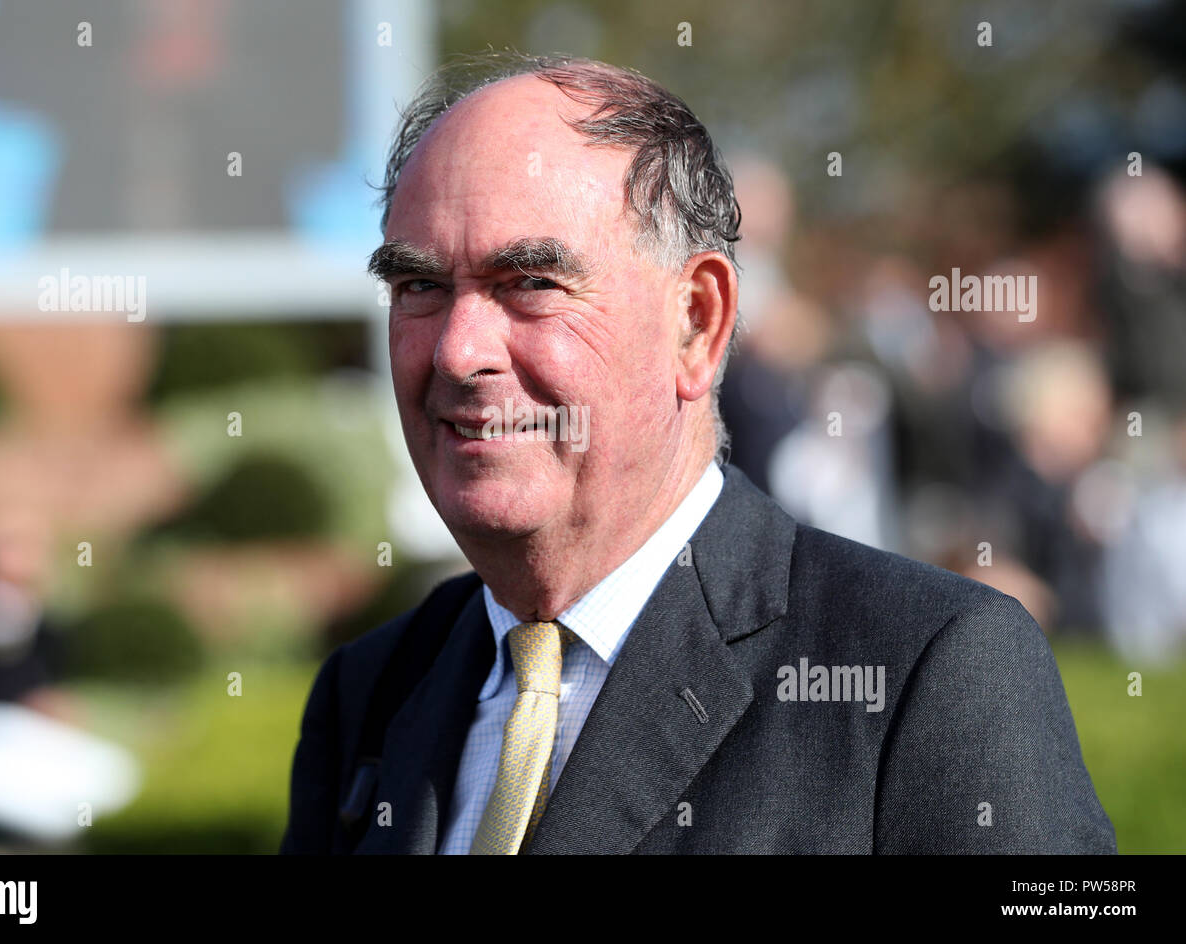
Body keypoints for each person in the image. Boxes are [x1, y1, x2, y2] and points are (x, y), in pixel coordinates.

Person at [280, 52, 1115, 854]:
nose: (460, 352)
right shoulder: (371, 696)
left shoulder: (926, 673)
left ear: (698, 323)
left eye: (530, 284)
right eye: (420, 286)